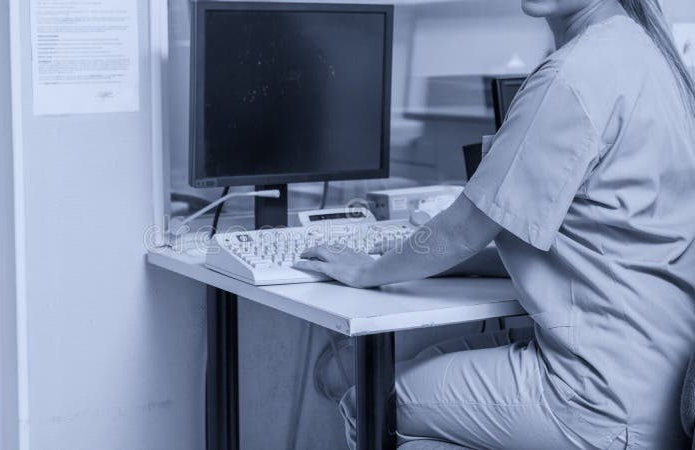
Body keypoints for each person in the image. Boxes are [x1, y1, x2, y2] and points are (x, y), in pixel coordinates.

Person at [295, 0, 695, 447]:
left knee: (368, 401)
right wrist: (468, 263)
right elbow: (606, 239)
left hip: (599, 397)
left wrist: (368, 269)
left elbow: (462, 229)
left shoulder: (574, 75)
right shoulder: (652, 56)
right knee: (428, 366)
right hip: (656, 379)